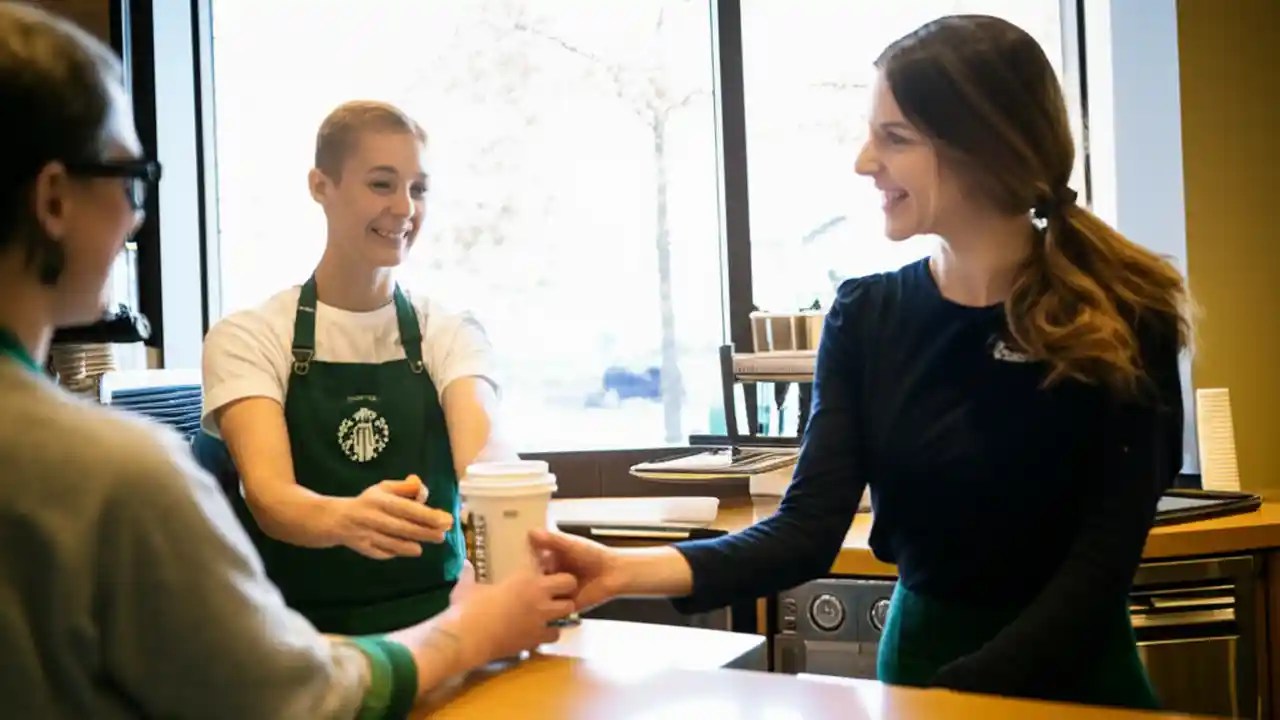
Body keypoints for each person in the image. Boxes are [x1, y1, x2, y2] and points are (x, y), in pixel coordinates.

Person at [530, 14, 1188, 710]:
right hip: (920, 662)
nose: (863, 161)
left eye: (893, 138)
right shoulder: (869, 316)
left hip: (1077, 680)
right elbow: (805, 532)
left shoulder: (1125, 314)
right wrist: (616, 570)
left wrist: (953, 698)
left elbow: (1099, 571)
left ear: (983, 147)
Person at [0, 4, 575, 718]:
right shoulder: (132, 461)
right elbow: (280, 676)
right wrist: (465, 625)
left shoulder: (448, 329)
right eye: (132, 177)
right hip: (319, 640)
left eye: (418, 188)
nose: (138, 215)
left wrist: (503, 516)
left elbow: (485, 454)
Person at [196, 100, 509, 635]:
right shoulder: (248, 336)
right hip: (299, 640)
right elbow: (271, 498)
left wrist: (513, 508)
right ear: (321, 186)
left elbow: (489, 465)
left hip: (440, 628)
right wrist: (347, 520)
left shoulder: (449, 330)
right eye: (382, 185)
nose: (406, 209)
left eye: (420, 189)